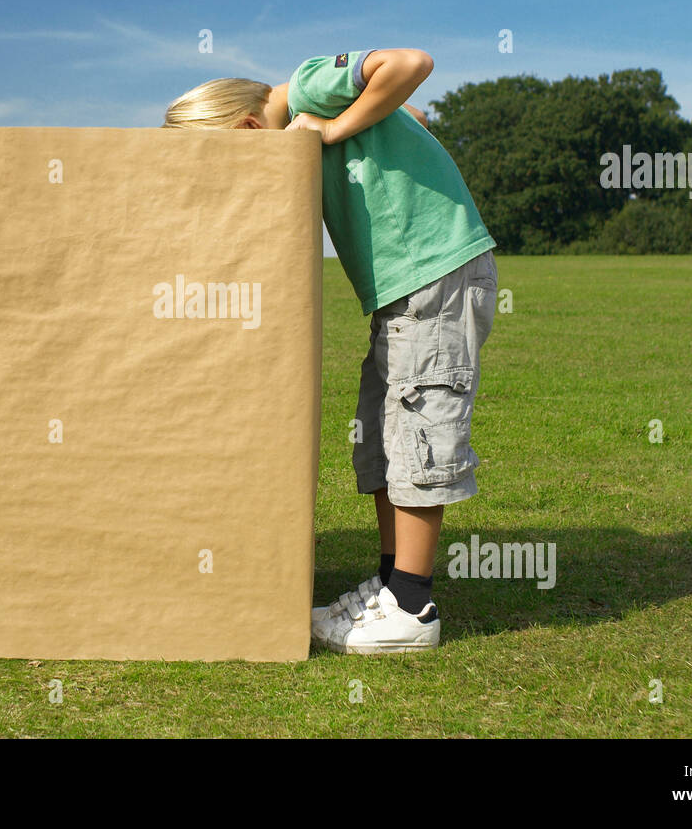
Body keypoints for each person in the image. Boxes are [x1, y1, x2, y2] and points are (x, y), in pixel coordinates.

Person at [162, 49, 498, 653]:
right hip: (402, 291)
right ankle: (390, 586)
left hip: (433, 276)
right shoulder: (309, 114)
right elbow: (414, 114)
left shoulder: (311, 87)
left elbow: (411, 65)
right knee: (381, 435)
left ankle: (414, 609)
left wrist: (335, 129)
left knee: (419, 428)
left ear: (247, 130)